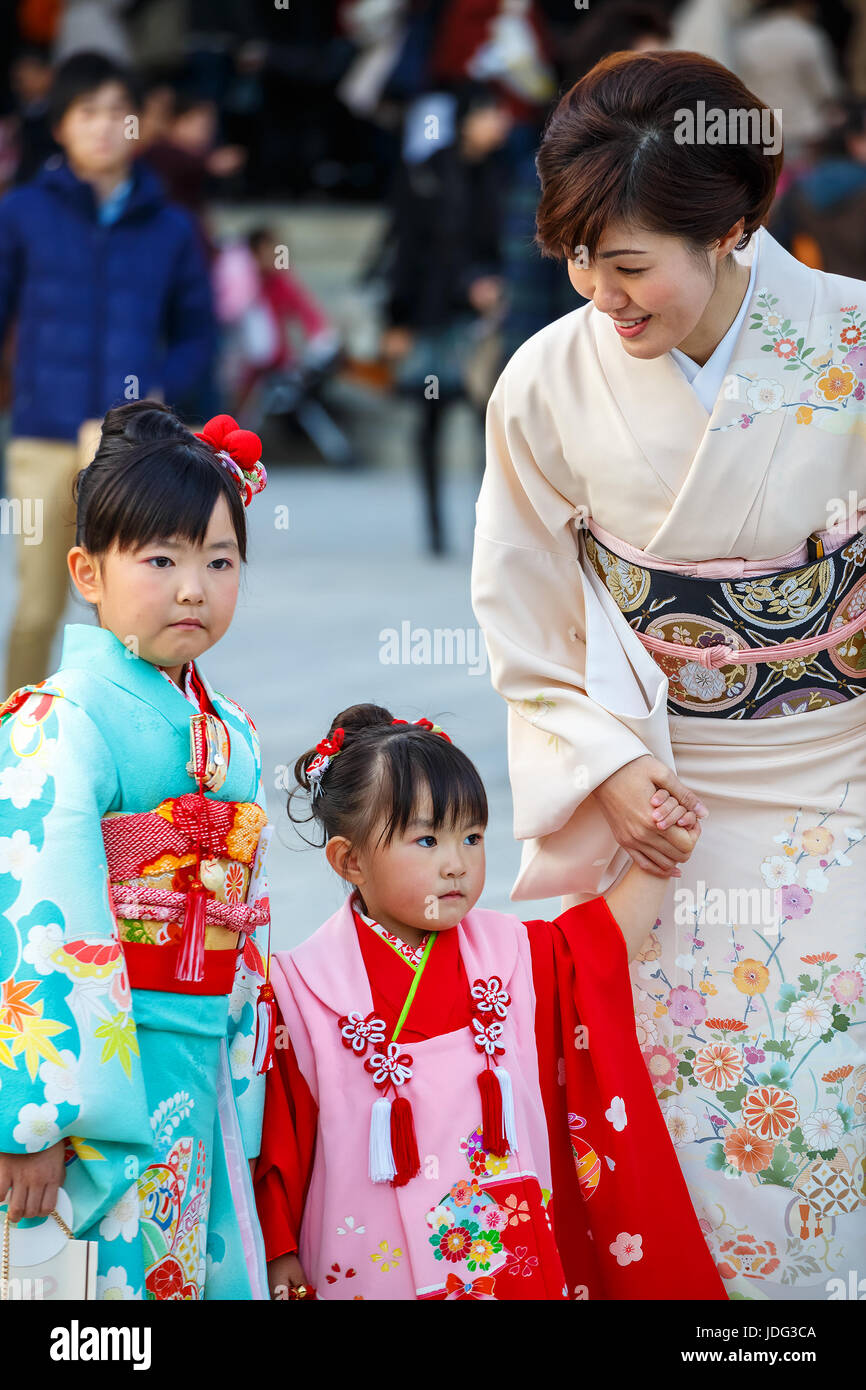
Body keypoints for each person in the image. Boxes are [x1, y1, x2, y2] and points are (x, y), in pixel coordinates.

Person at [470, 49, 866, 1299]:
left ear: (733, 226)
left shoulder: (850, 345)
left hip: (842, 787)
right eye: (578, 259)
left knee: (828, 1112)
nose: (601, 292)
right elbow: (524, 626)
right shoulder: (544, 381)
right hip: (664, 817)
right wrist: (611, 766)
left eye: (628, 260)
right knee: (682, 1127)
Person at [254, 705, 726, 1301]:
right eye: (427, 839)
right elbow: (279, 1139)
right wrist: (280, 1249)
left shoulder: (509, 954)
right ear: (350, 861)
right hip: (367, 1252)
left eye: (472, 837)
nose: (457, 864)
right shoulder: (300, 987)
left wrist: (658, 855)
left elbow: (595, 950)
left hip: (501, 1240)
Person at [0, 401, 273, 1300]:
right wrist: (34, 1121)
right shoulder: (63, 722)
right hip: (99, 1085)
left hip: (203, 1059)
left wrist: (247, 1053)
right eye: (161, 559)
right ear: (87, 571)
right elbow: (39, 916)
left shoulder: (230, 732)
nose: (193, 586)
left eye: (219, 560)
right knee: (101, 1296)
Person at [0, 51, 215, 697]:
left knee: (130, 613)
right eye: (86, 112)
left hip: (128, 447)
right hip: (41, 435)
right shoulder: (22, 213)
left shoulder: (172, 226)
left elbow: (200, 333)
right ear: (61, 125)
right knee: (38, 609)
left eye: (117, 113)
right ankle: (16, 751)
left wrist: (160, 394)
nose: (103, 127)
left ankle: (136, 743)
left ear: (139, 126)